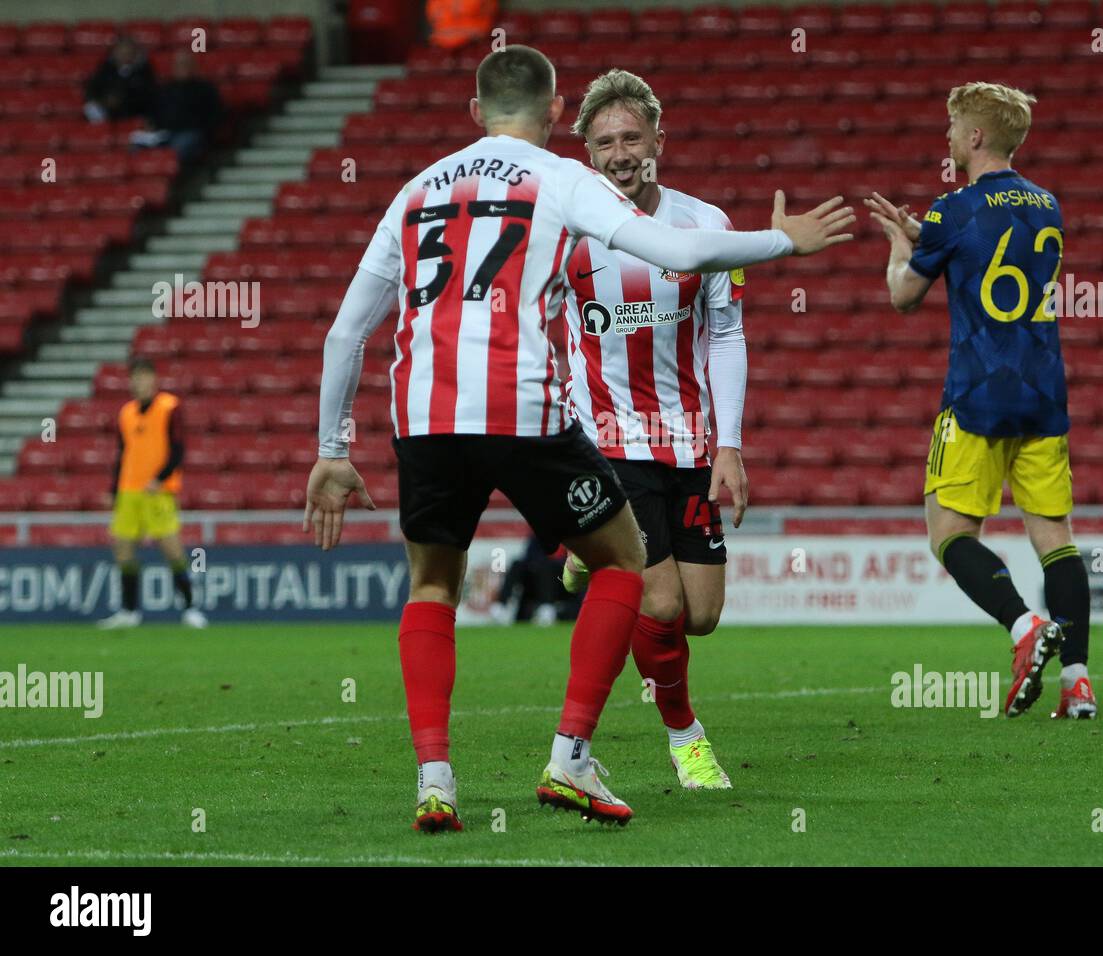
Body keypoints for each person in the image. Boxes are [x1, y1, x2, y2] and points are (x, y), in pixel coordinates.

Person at [304, 44, 854, 832]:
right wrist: (783, 243)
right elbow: (683, 252)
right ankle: (570, 759)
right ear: (560, 116)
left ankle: (435, 781)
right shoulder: (563, 180)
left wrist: (331, 450)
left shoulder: (416, 189)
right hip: (528, 411)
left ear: (473, 113)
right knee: (625, 565)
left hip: (425, 417)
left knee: (432, 588)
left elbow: (344, 334)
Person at [865, 82, 1096, 720]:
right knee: (1056, 538)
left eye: (951, 127)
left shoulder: (953, 209)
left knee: (949, 533)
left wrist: (902, 242)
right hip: (1044, 393)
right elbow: (995, 250)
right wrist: (931, 235)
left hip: (977, 396)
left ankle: (1024, 627)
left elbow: (904, 296)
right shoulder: (1048, 204)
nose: (946, 137)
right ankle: (1078, 685)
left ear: (973, 137)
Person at [559, 70, 747, 790]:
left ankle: (582, 554)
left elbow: (725, 335)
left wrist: (729, 443)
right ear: (587, 152)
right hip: (607, 442)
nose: (619, 152)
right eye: (604, 141)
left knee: (700, 616)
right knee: (658, 602)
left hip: (692, 444)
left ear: (658, 140)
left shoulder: (704, 225)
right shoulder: (565, 234)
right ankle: (685, 736)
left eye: (631, 136)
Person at [97, 358, 208, 630]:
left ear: (154, 380)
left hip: (157, 491)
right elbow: (123, 453)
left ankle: (191, 607)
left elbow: (178, 449)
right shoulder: (126, 412)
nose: (140, 382)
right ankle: (129, 611)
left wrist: (159, 479)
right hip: (128, 490)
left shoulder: (169, 407)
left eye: (144, 377)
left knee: (171, 549)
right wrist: (113, 489)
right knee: (122, 550)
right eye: (135, 377)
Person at [136, 50, 222, 164]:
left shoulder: (205, 89)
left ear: (193, 67)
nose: (182, 68)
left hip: (191, 132)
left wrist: (203, 129)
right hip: (163, 133)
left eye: (185, 64)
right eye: (179, 64)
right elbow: (152, 112)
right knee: (136, 147)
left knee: (178, 148)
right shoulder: (164, 89)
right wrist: (151, 124)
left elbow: (215, 114)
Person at [83, 36, 156, 124]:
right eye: (121, 52)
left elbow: (150, 94)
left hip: (135, 113)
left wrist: (123, 100)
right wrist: (104, 101)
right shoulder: (106, 68)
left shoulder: (144, 70)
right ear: (114, 53)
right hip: (107, 112)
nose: (124, 55)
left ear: (134, 53)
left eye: (128, 52)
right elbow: (92, 89)